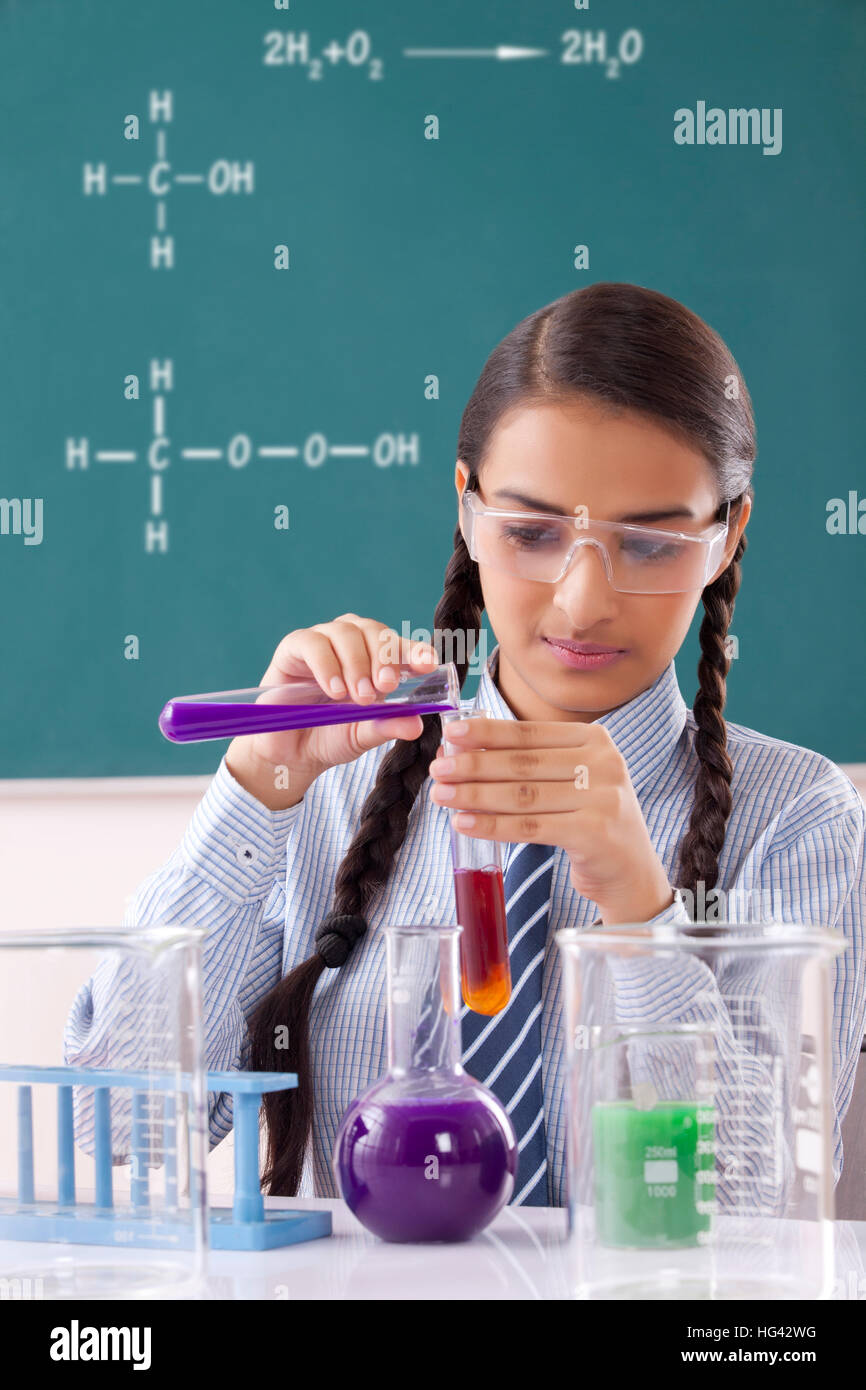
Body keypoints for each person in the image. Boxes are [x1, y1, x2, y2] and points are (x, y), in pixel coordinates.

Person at [65, 282, 865, 1208]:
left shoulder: (795, 817)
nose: (581, 602)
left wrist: (643, 918)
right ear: (467, 507)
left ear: (727, 538)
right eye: (529, 531)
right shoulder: (336, 787)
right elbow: (111, 1131)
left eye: (648, 545)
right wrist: (256, 790)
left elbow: (762, 1209)